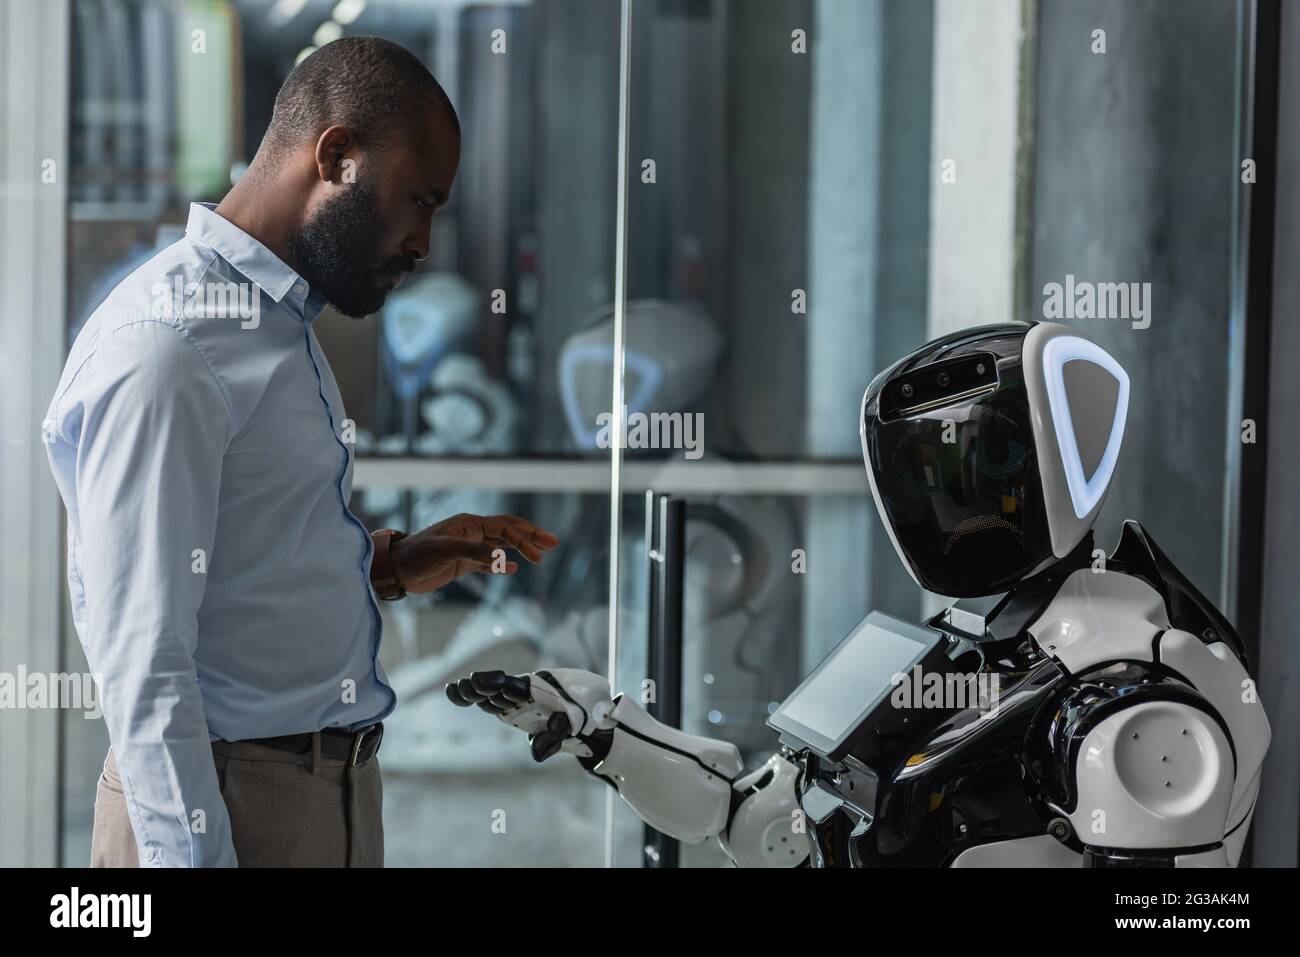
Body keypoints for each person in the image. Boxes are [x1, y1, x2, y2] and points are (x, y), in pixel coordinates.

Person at [42, 36, 557, 868]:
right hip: (225, 807)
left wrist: (390, 564)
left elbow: (245, 564)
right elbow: (144, 661)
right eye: (418, 200)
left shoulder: (274, 321)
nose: (423, 241)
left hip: (320, 794)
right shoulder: (171, 347)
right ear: (337, 155)